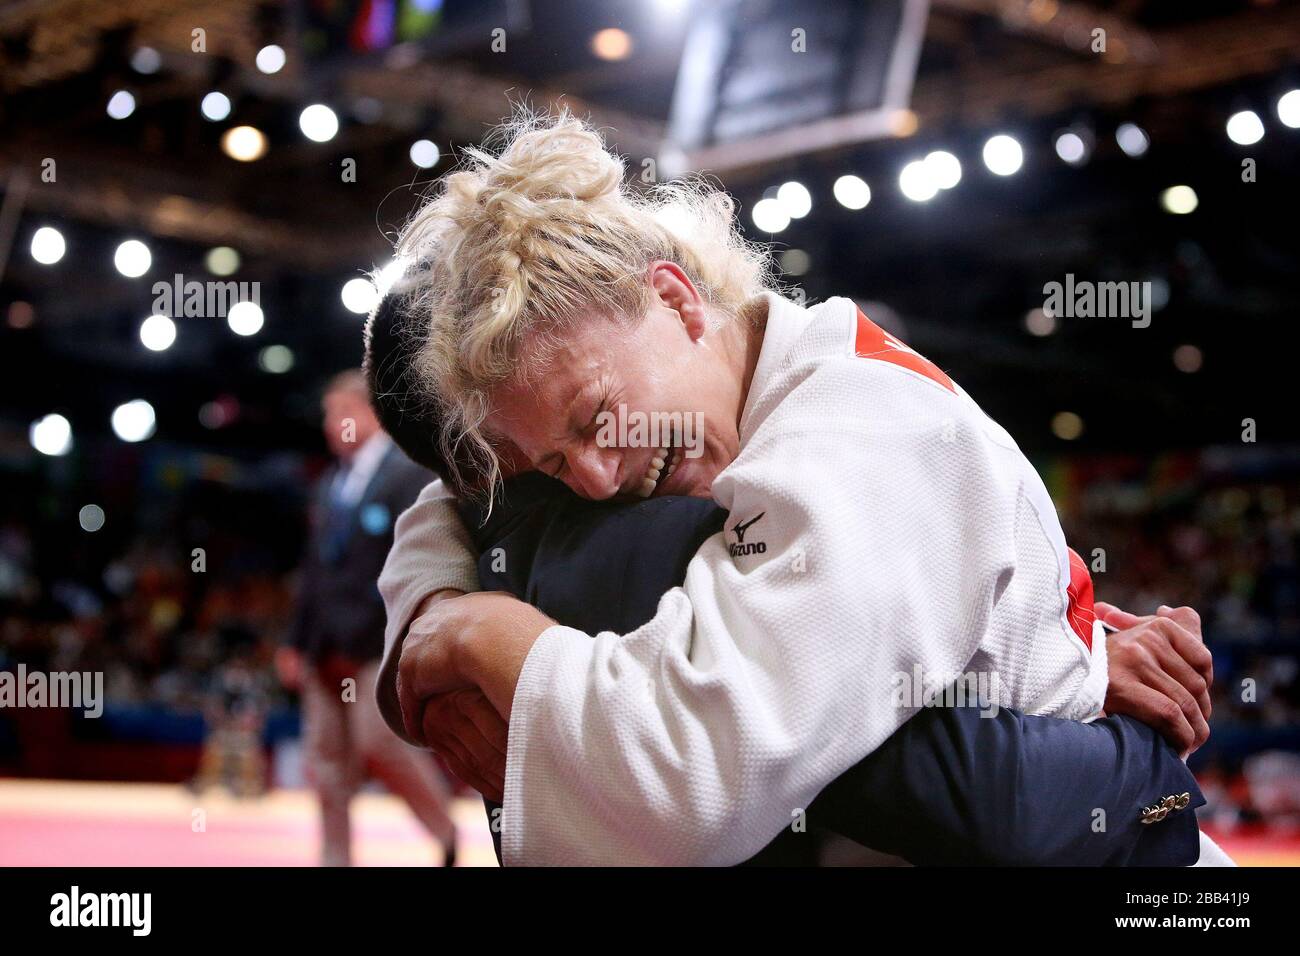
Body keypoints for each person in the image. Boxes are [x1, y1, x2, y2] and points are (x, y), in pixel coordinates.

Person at [377, 111, 1220, 865]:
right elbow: (452, 503)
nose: (595, 477)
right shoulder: (734, 400)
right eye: (555, 465)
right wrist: (428, 604)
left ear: (675, 300)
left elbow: (691, 785)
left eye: (600, 418)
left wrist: (478, 636)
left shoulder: (863, 430)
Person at [279, 369, 458, 866]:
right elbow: (313, 570)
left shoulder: (408, 475)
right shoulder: (331, 483)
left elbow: (416, 560)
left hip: (377, 642)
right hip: (323, 644)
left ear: (372, 415)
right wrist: (294, 641)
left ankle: (442, 829)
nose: (333, 425)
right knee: (327, 763)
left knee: (379, 742)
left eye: (342, 413)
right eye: (328, 415)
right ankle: (335, 860)